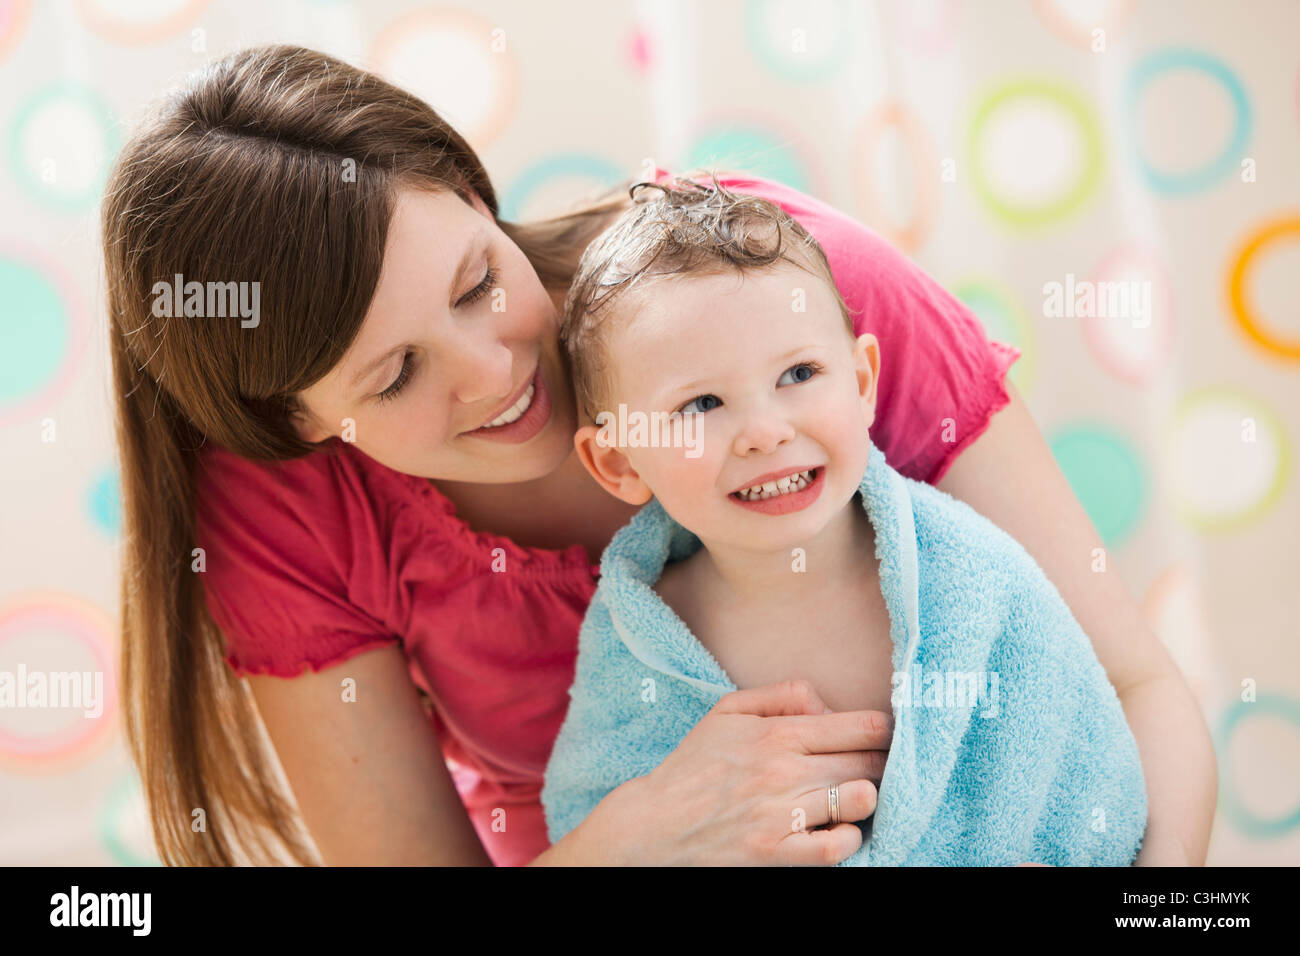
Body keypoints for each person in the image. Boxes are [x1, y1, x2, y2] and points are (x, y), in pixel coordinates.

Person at [102, 43, 1213, 866]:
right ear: (295, 420)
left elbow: (1134, 683)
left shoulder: (775, 297)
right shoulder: (285, 504)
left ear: (476, 192)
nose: (491, 370)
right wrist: (632, 838)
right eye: (394, 375)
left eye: (479, 280)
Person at [541, 178, 1149, 865]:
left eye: (799, 374)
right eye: (702, 404)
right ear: (619, 462)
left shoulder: (973, 582)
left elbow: (1075, 769)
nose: (766, 432)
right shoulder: (639, 643)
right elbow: (600, 815)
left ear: (862, 384)